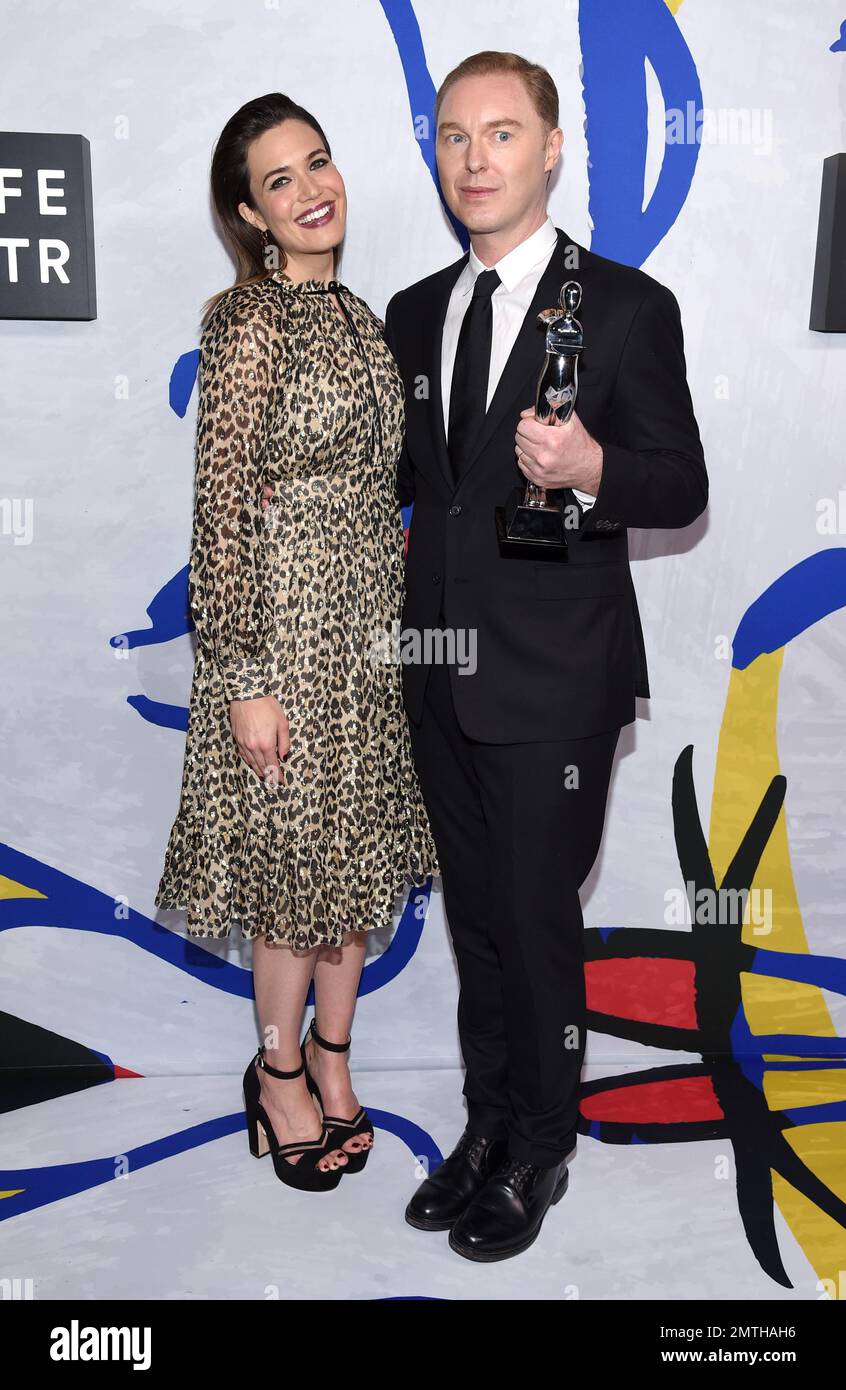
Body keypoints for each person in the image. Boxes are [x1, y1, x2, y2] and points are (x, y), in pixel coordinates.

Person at [383, 51, 708, 1260]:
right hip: (437, 667)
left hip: (555, 679)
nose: (475, 158)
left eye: (502, 134)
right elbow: (425, 493)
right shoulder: (416, 310)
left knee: (534, 920)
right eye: (455, 136)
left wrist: (592, 473)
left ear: (553, 147)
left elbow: (682, 480)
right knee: (477, 919)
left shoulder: (624, 306)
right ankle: (489, 1121)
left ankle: (542, 1146)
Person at [154, 93, 438, 1193]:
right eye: (281, 180)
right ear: (250, 212)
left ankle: (332, 1057)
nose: (313, 188)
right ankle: (275, 1074)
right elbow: (218, 507)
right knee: (288, 878)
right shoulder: (245, 321)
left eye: (317, 162)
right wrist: (241, 678)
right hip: (282, 641)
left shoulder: (364, 318)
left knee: (351, 869)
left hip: (368, 639)